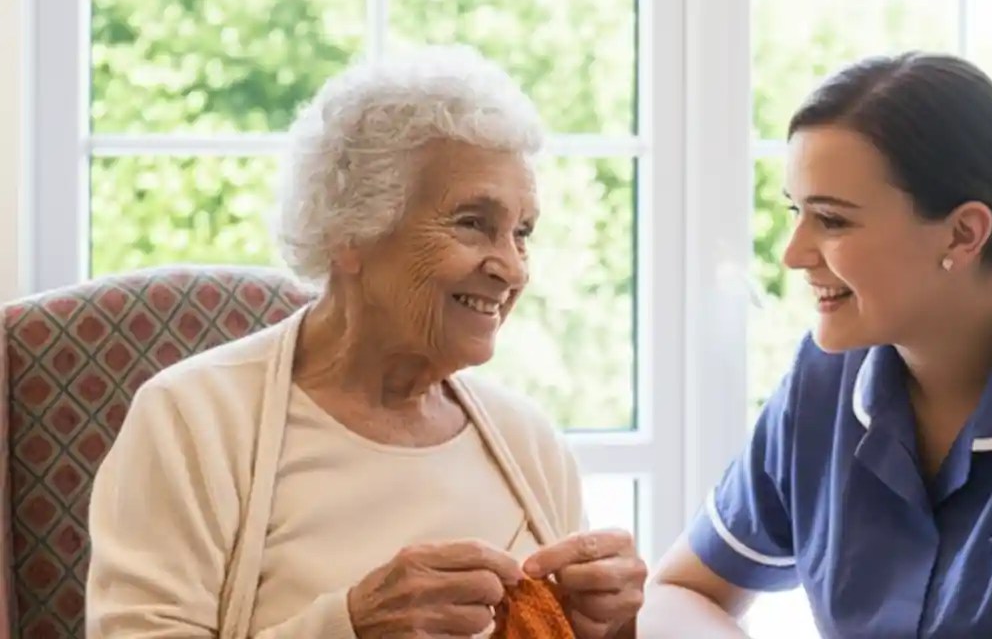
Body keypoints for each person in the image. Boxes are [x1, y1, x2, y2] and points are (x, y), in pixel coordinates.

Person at [639, 52, 992, 638]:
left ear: (964, 233)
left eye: (832, 221)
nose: (793, 253)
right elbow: (677, 592)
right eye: (796, 212)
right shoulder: (824, 379)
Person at [85, 45, 646, 639]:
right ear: (349, 229)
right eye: (472, 223)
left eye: (522, 232)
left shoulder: (529, 443)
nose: (512, 268)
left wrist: (608, 628)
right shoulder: (193, 418)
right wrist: (350, 626)